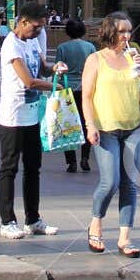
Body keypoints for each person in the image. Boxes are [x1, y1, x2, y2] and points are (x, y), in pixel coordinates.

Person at [0, 2, 65, 241]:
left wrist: (55, 69)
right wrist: (56, 87)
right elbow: (28, 81)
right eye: (36, 27)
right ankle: (7, 221)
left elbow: (42, 69)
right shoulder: (11, 45)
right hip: (13, 115)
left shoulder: (33, 41)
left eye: (42, 28)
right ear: (23, 22)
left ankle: (33, 219)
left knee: (33, 168)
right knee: (9, 167)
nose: (39, 32)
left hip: (33, 114)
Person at [81, 15, 140, 257]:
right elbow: (86, 95)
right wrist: (90, 125)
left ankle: (125, 237)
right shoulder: (96, 59)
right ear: (110, 33)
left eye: (129, 31)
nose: (126, 36)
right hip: (105, 127)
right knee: (111, 181)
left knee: (130, 184)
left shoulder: (132, 56)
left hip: (133, 126)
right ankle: (96, 221)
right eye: (121, 31)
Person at [54, 17, 95, 173]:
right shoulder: (90, 47)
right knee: (86, 123)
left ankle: (71, 162)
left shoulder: (62, 48)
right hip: (86, 88)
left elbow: (58, 69)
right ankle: (85, 157)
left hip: (66, 88)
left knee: (67, 125)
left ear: (68, 32)